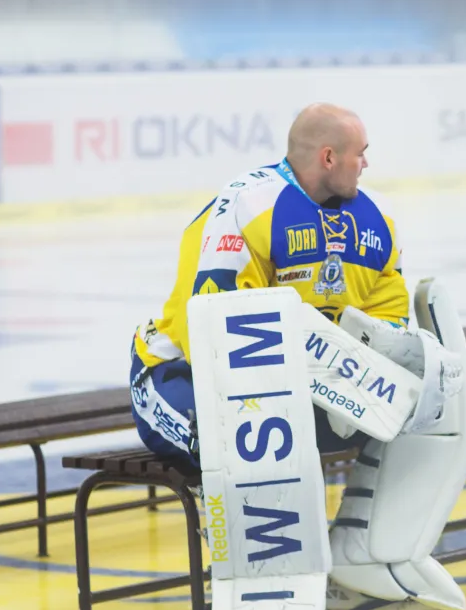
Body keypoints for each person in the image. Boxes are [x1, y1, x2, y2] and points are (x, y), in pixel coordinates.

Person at [129, 103, 407, 469]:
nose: (366, 164)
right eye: (360, 154)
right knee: (233, 446)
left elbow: (389, 317)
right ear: (329, 158)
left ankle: (358, 511)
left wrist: (359, 380)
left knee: (411, 421)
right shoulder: (248, 207)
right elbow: (215, 337)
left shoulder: (378, 218)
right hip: (180, 372)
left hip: (298, 388)